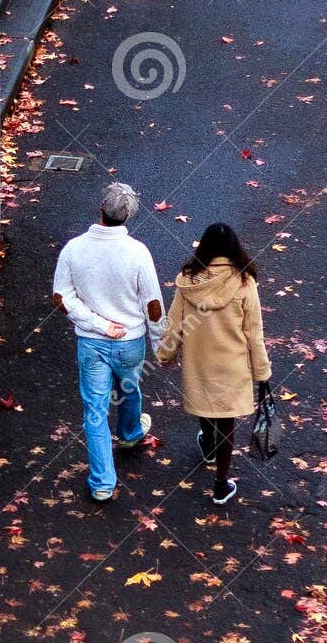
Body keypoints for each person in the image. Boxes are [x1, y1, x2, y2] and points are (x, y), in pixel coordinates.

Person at [53, 183, 165, 502]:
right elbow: (153, 305)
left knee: (95, 410)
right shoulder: (138, 252)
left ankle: (102, 481)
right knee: (129, 388)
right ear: (128, 216)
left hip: (92, 343)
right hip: (131, 343)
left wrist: (98, 324)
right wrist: (162, 343)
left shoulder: (74, 249)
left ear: (100, 208)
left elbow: (62, 297)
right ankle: (130, 433)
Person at [157, 222, 271, 506]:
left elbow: (175, 325)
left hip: (199, 363)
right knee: (227, 421)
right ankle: (221, 483)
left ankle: (207, 443)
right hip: (232, 365)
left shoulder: (188, 280)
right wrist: (262, 373)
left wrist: (165, 355)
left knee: (205, 404)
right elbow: (253, 333)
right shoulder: (244, 282)